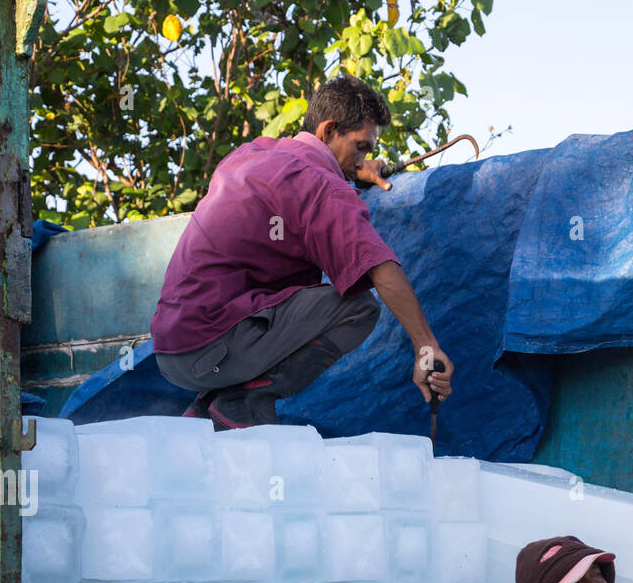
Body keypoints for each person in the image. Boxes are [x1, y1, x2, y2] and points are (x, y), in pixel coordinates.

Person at [151, 74, 453, 429]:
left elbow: (302, 187)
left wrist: (353, 171)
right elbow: (380, 267)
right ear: (328, 130)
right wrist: (425, 346)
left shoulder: (253, 152)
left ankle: (211, 405)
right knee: (357, 309)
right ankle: (241, 403)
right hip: (211, 347)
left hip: (174, 348)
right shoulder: (320, 186)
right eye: (360, 147)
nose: (364, 158)